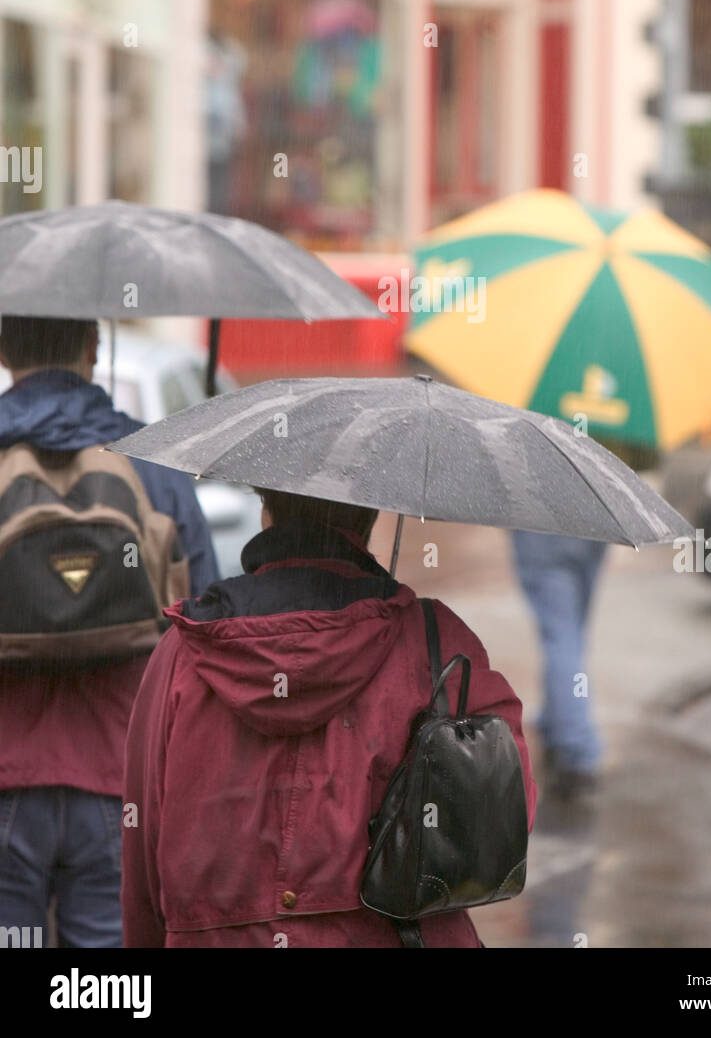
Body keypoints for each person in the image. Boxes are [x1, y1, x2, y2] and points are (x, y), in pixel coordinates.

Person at [123, 488, 537, 947]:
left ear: (266, 515)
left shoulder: (181, 653)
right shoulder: (436, 641)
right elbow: (506, 812)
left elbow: (143, 841)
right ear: (367, 518)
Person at [0, 316, 218, 948]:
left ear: (3, 349)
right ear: (93, 348)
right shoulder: (154, 463)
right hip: (121, 779)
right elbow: (205, 630)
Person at [510, 530, 606, 801]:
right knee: (571, 630)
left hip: (541, 523)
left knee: (561, 635)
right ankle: (555, 722)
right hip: (592, 520)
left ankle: (576, 749)